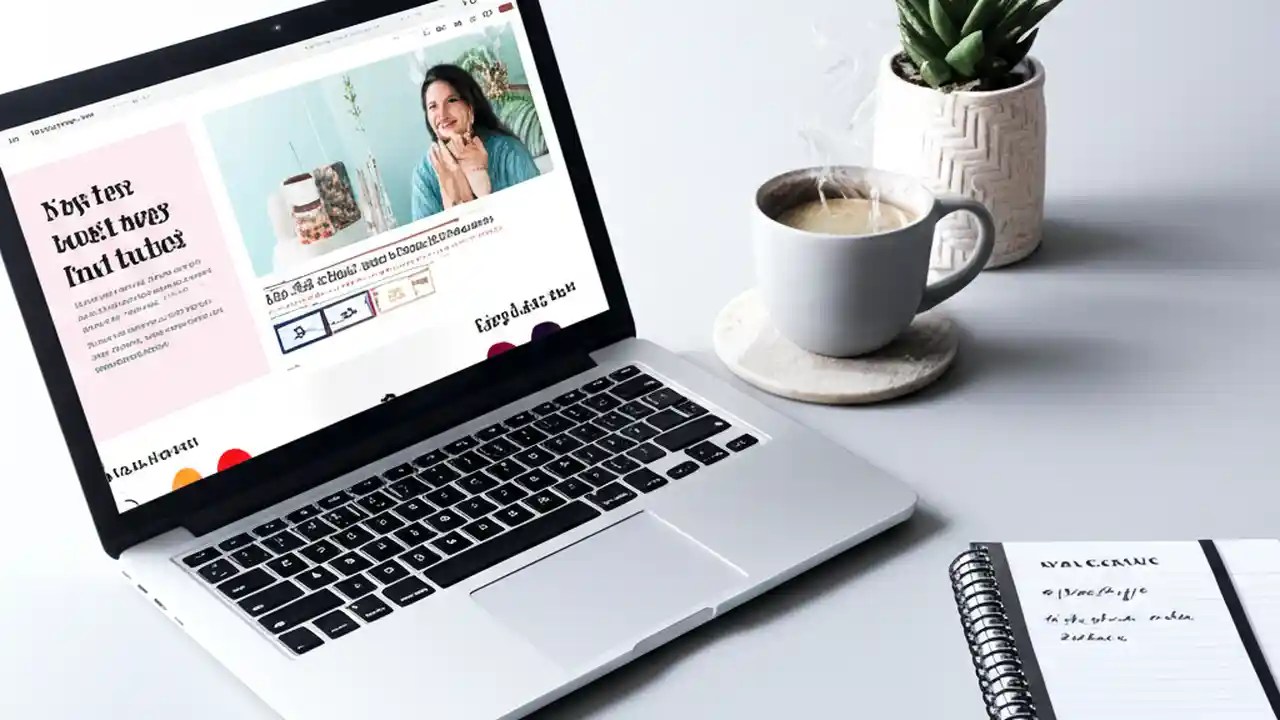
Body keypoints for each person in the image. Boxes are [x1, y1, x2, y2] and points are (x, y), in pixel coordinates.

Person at [410, 64, 540, 221]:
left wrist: (482, 187)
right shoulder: (424, 174)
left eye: (451, 100)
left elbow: (537, 217)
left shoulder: (510, 152)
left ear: (470, 108)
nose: (442, 114)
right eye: (433, 106)